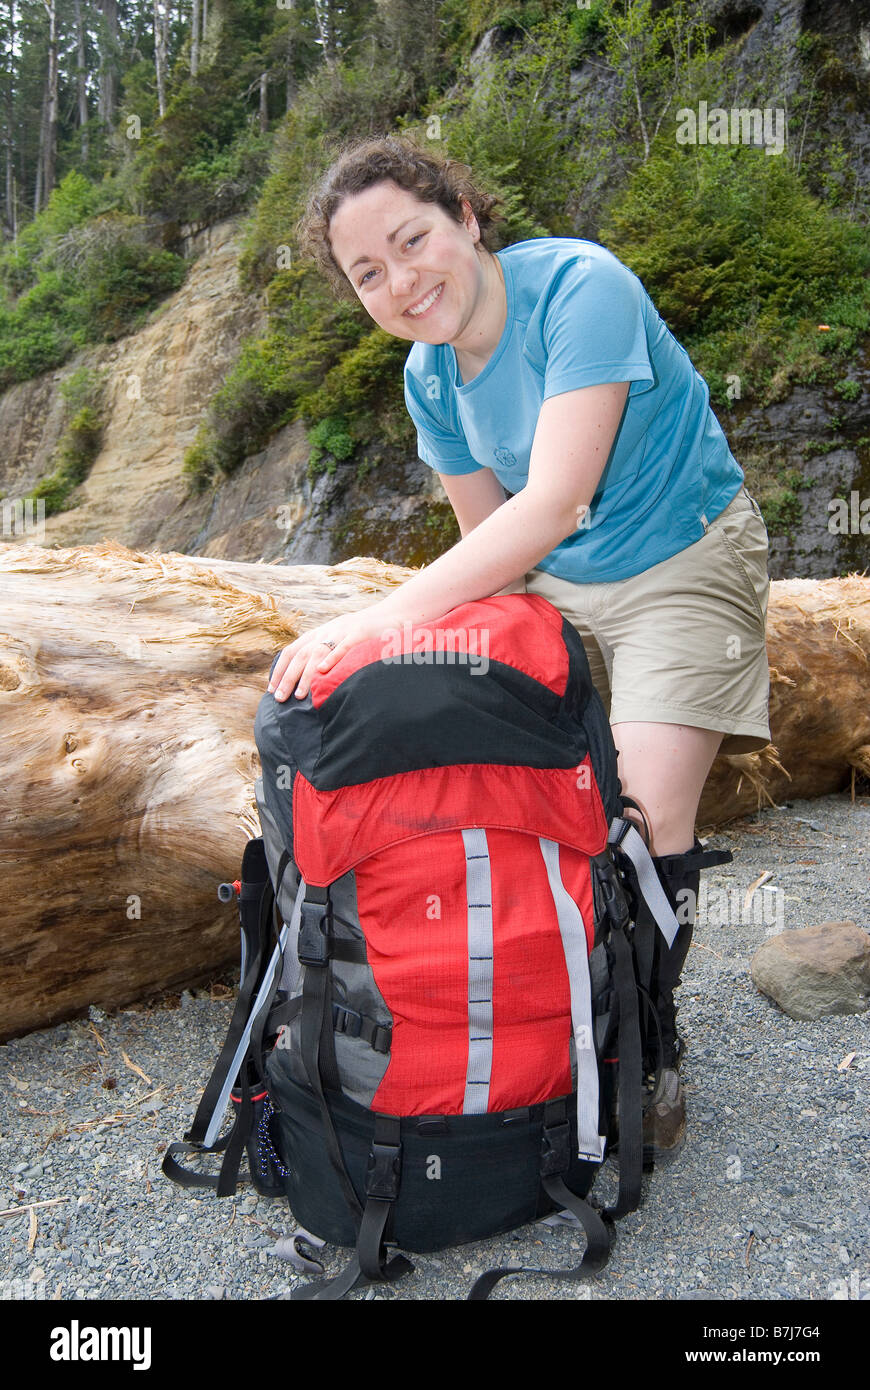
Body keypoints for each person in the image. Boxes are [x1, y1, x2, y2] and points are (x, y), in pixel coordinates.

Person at [265, 134, 771, 1154]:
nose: (403, 281)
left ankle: (645, 1044)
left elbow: (550, 501)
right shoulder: (429, 382)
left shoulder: (583, 288)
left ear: (465, 212)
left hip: (687, 558)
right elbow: (486, 555)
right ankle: (541, 1028)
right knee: (536, 794)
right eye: (370, 272)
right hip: (558, 589)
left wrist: (373, 617)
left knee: (635, 814)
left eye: (413, 240)